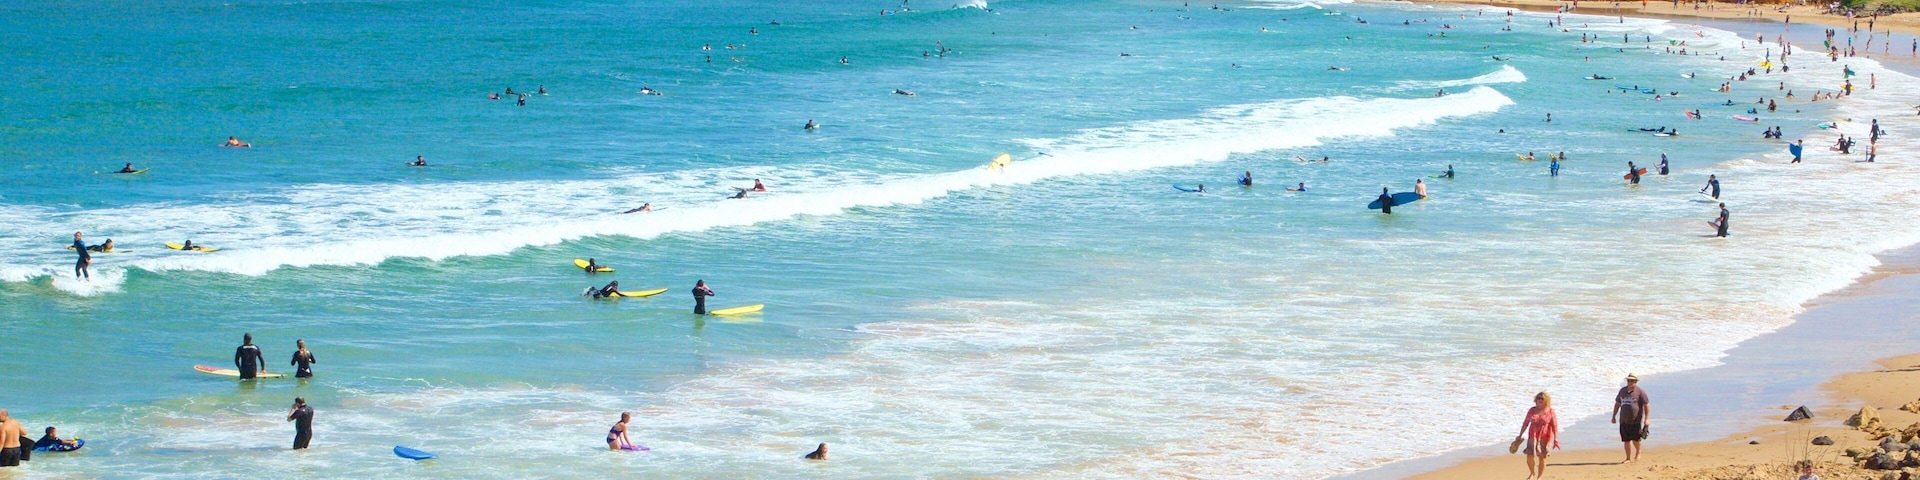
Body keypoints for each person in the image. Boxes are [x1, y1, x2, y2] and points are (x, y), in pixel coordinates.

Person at [1516, 392, 1559, 480]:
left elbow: (1554, 425)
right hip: (1533, 437)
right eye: (1538, 398)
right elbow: (1525, 423)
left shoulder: (1550, 411)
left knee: (1542, 458)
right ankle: (1532, 473)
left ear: (1546, 400)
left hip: (1545, 437)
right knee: (1529, 457)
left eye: (1542, 398)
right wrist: (1520, 435)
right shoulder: (1532, 410)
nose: (1540, 400)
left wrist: (1556, 439)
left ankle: (1539, 477)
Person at [1611, 373, 1651, 464]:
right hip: (1623, 420)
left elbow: (1646, 405)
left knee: (1635, 439)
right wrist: (1614, 416)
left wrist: (1647, 419)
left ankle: (1638, 452)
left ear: (1636, 382)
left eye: (1632, 381)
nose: (1630, 382)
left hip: (1635, 420)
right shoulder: (1622, 391)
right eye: (1628, 380)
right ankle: (1628, 458)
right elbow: (1617, 404)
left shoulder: (1640, 392)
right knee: (1626, 440)